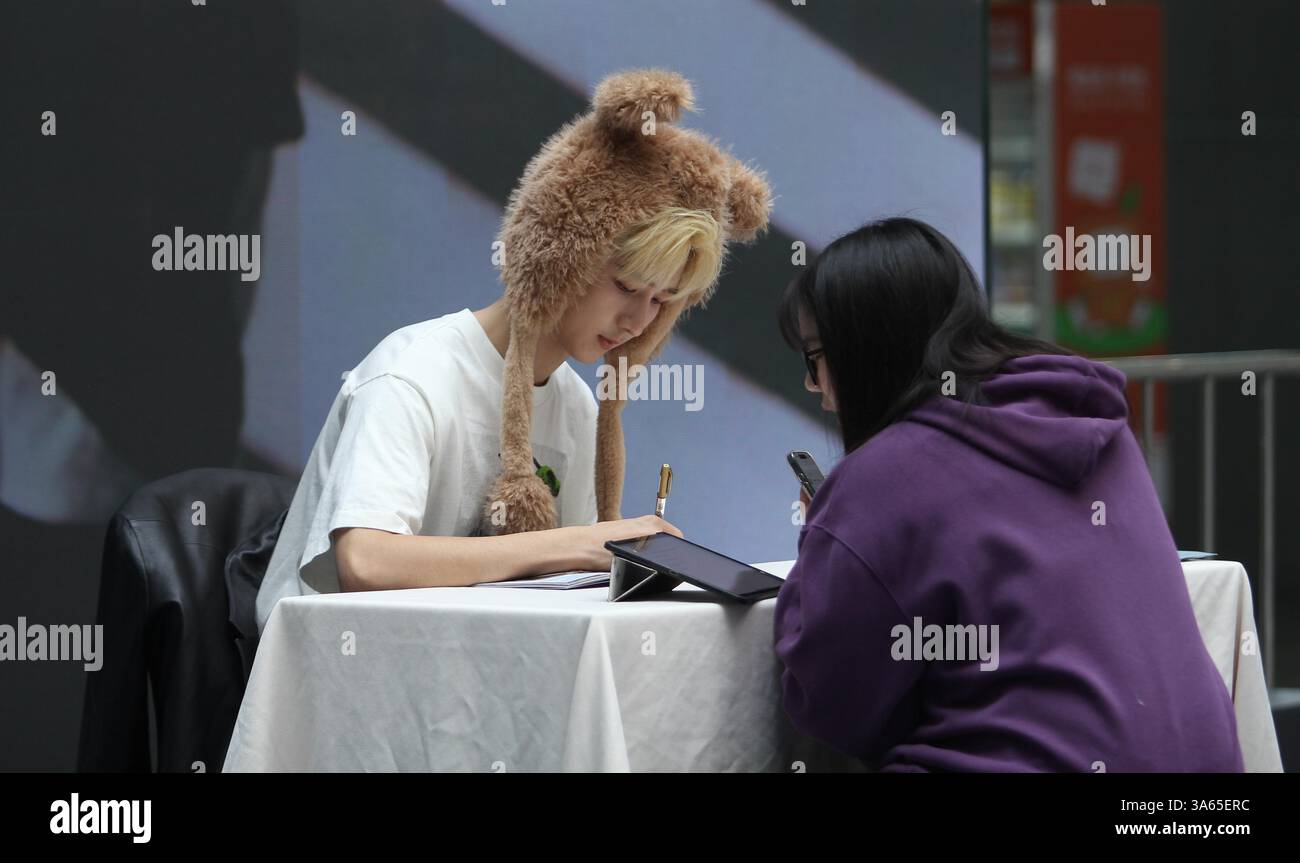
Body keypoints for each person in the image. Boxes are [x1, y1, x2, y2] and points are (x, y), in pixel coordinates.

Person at [255, 69, 771, 634]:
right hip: (340, 688)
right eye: (626, 285)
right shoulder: (412, 375)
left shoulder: (574, 407)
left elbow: (564, 591)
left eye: (662, 300)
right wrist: (572, 544)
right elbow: (365, 561)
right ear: (560, 252)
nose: (637, 320)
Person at [774, 217, 1242, 772]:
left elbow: (832, 705)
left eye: (814, 358)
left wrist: (821, 545)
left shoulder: (881, 478)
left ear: (861, 352)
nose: (813, 387)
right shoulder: (1092, 425)